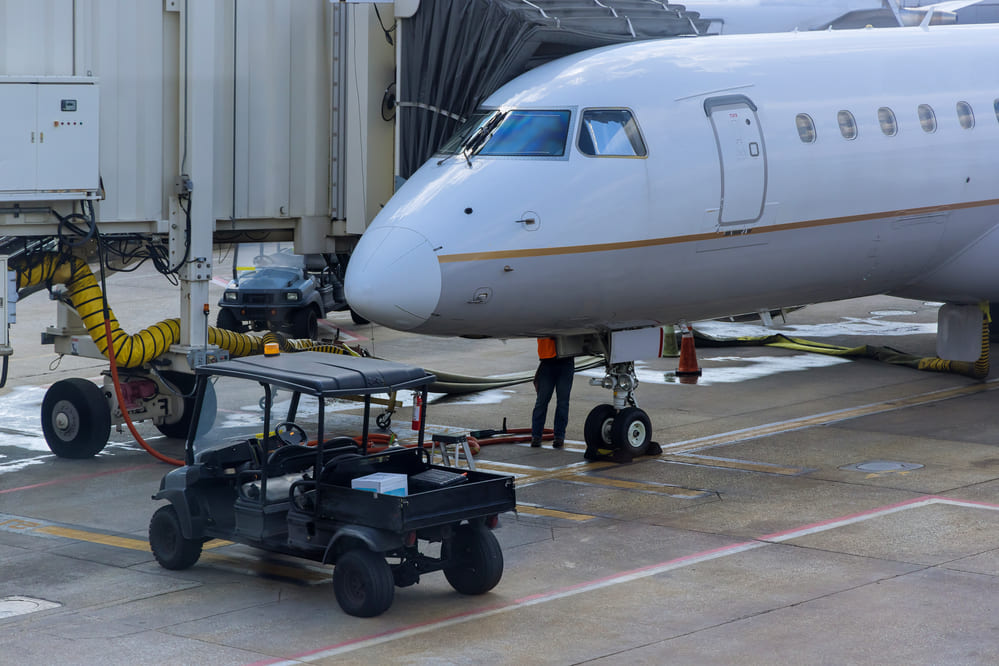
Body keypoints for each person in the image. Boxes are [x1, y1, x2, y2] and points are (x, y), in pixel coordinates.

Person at [531, 337, 575, 448]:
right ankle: (536, 436)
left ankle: (559, 437)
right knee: (542, 402)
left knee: (562, 403)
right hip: (547, 362)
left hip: (565, 360)